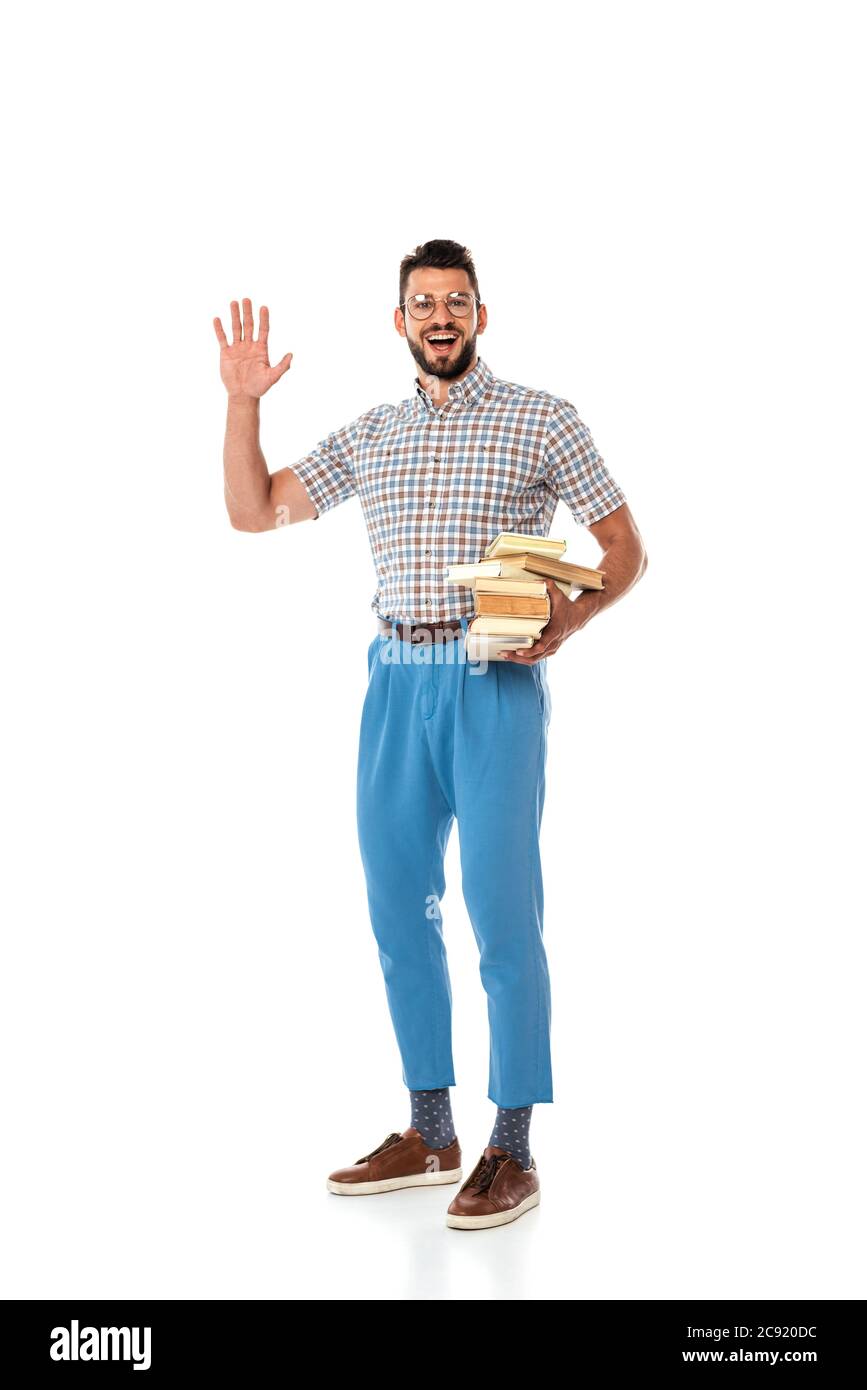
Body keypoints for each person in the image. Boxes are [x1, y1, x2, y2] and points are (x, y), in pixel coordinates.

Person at [215, 239, 647, 1230]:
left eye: (457, 300)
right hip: (392, 685)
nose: (441, 315)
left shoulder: (544, 418)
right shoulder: (373, 433)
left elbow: (626, 547)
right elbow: (252, 510)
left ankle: (512, 1145)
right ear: (400, 321)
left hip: (492, 681)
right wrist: (245, 401)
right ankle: (430, 1128)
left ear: (481, 316)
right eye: (423, 302)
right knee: (398, 910)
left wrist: (571, 620)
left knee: (502, 918)